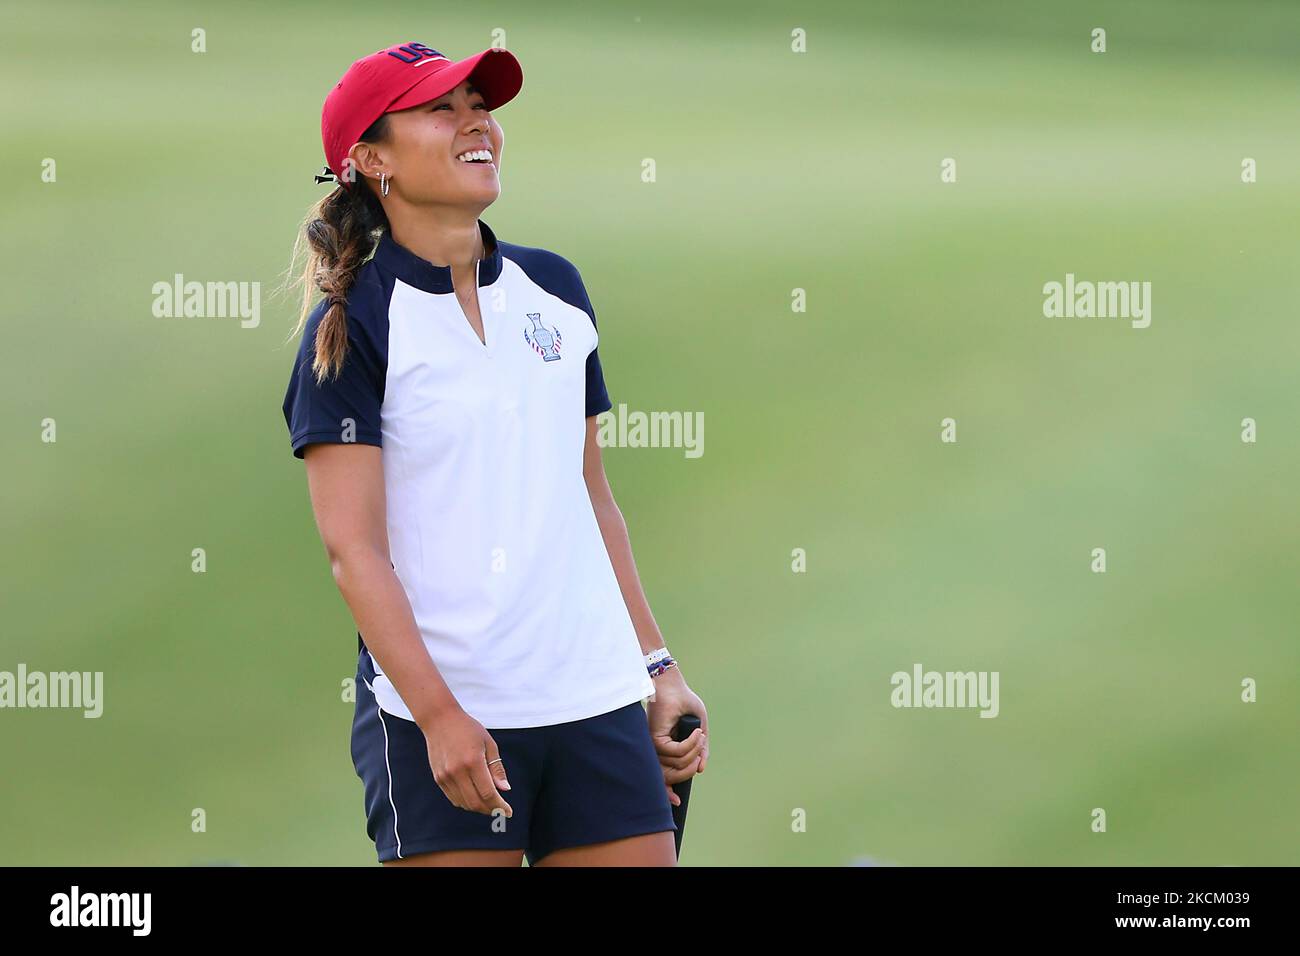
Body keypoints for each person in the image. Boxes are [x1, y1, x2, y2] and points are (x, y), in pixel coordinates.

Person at [280, 41, 709, 866]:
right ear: (372, 159)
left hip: (596, 702)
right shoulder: (354, 326)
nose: (477, 121)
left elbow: (593, 500)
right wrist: (440, 717)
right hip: (442, 718)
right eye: (441, 108)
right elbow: (353, 551)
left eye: (480, 103)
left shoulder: (558, 290)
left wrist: (655, 666)